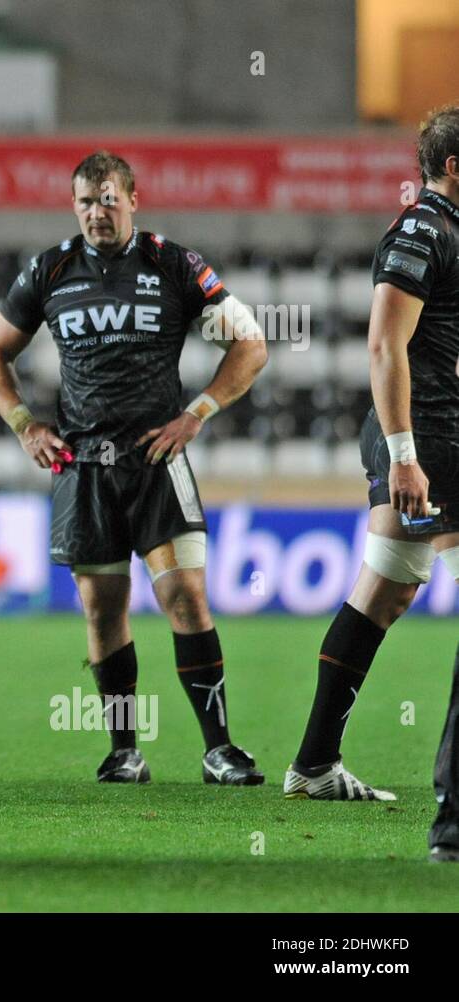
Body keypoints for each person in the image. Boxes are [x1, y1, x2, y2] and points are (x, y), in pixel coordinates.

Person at [0, 150, 268, 785]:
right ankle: (123, 750)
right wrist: (25, 425)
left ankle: (219, 748)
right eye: (85, 200)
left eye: (107, 198)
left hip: (159, 461)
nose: (96, 212)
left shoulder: (172, 264)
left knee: (185, 596)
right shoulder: (50, 269)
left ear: (132, 198)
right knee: (102, 608)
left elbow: (250, 343)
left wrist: (198, 412)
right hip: (84, 468)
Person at [285, 106, 459, 819]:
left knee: (385, 591)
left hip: (430, 437)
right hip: (430, 439)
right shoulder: (422, 228)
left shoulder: (445, 231)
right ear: (455, 167)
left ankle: (315, 763)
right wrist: (406, 455)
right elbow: (385, 344)